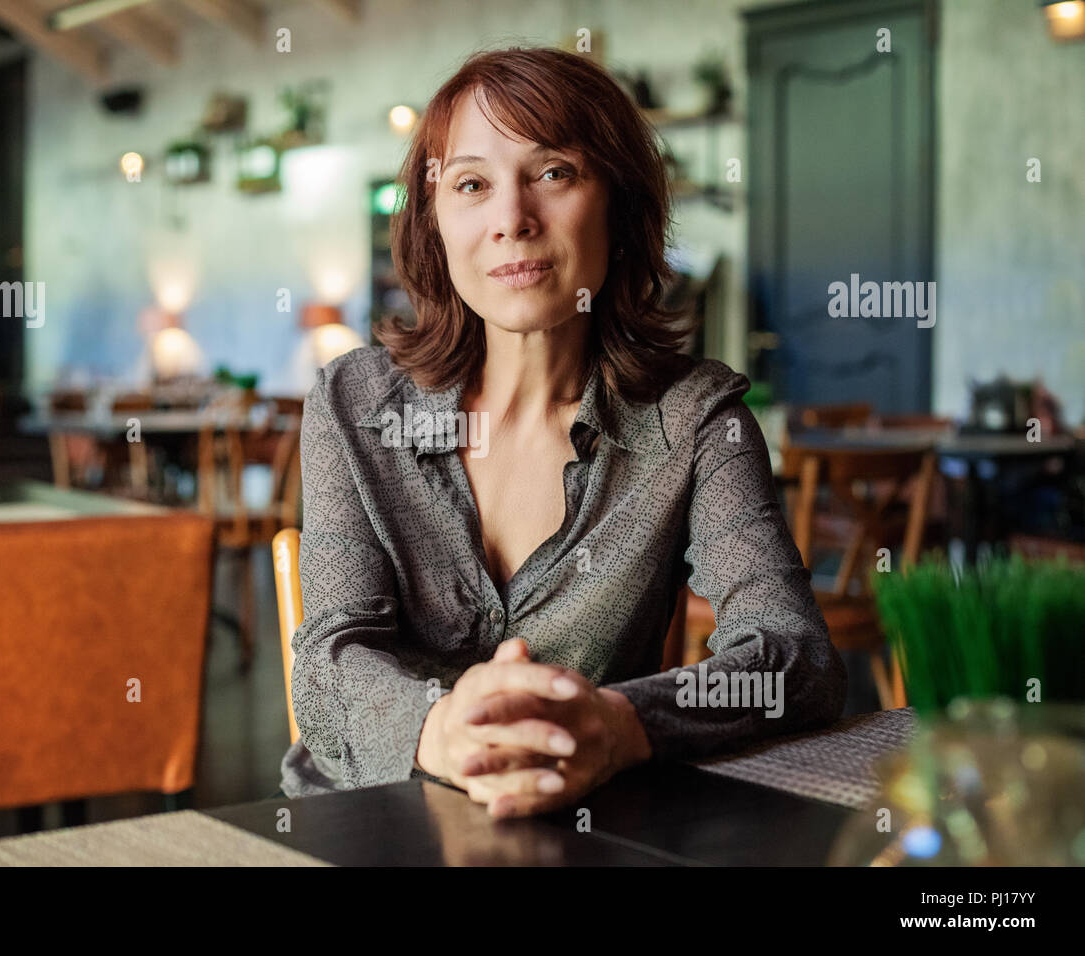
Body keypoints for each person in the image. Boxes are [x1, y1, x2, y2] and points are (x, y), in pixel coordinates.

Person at [278, 46, 846, 818]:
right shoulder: (350, 403)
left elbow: (794, 655)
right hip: (362, 820)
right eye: (472, 185)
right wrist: (442, 731)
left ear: (619, 207)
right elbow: (329, 661)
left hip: (580, 822)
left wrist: (621, 723)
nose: (512, 220)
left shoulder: (698, 422)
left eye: (553, 173)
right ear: (435, 221)